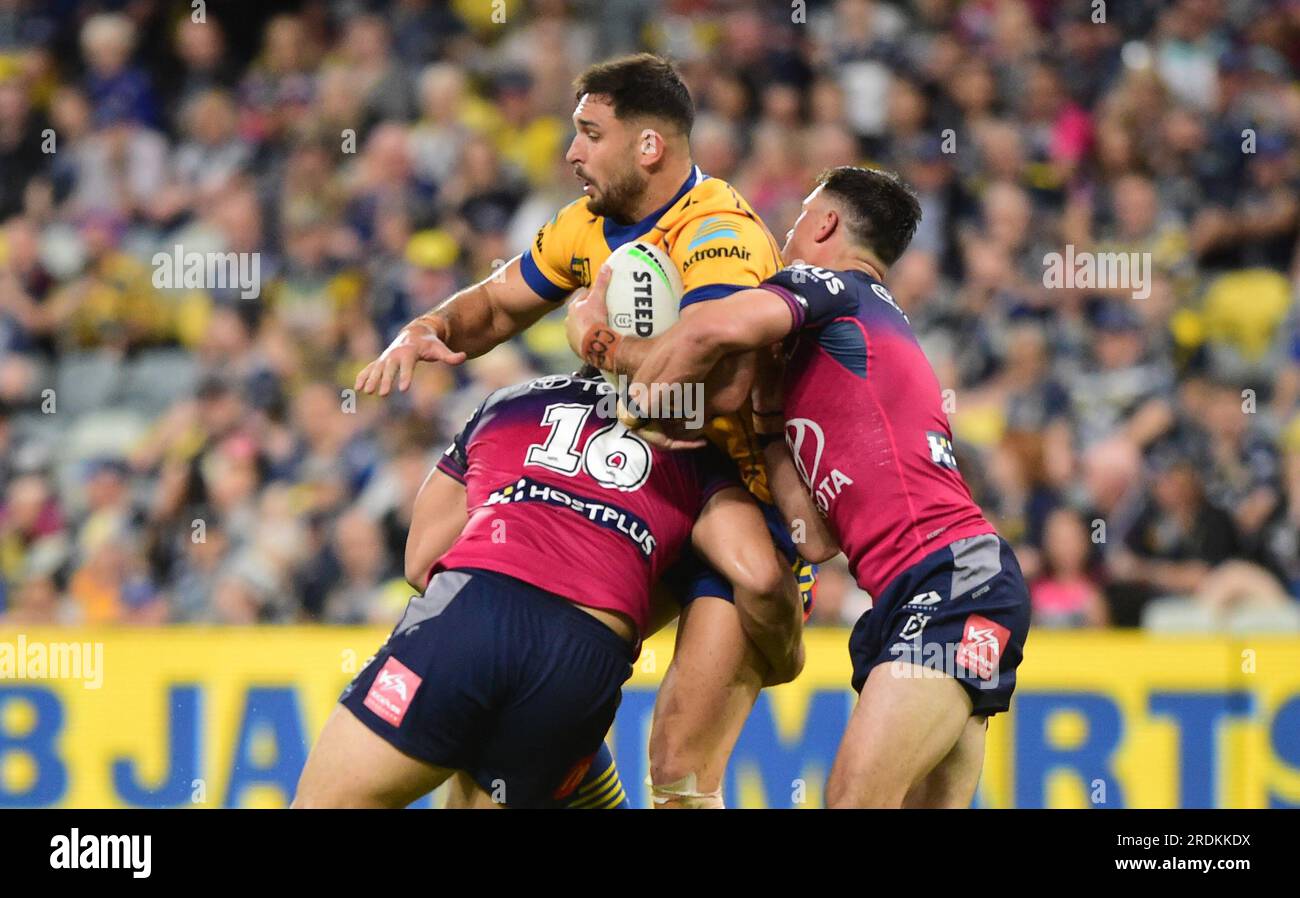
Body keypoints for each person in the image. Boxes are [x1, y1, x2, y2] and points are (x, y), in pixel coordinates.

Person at [352, 53, 819, 808]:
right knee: (508, 671)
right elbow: (500, 306)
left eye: (588, 133)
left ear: (649, 147)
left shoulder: (719, 233)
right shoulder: (588, 224)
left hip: (741, 497)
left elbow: (723, 380)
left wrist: (596, 341)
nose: (571, 152)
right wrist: (429, 328)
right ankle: (578, 771)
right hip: (649, 486)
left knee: (679, 766)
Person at [573, 165, 1032, 808]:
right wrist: (765, 427)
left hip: (950, 580)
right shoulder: (849, 338)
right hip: (923, 589)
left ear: (826, 224)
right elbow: (814, 540)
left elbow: (710, 329)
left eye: (794, 223)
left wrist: (618, 363)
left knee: (849, 801)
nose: (783, 243)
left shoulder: (831, 286)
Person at [293, 370, 803, 808]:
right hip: (585, 657)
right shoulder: (700, 450)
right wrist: (789, 652)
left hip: (476, 605)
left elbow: (422, 557)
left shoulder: (515, 402)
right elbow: (758, 576)